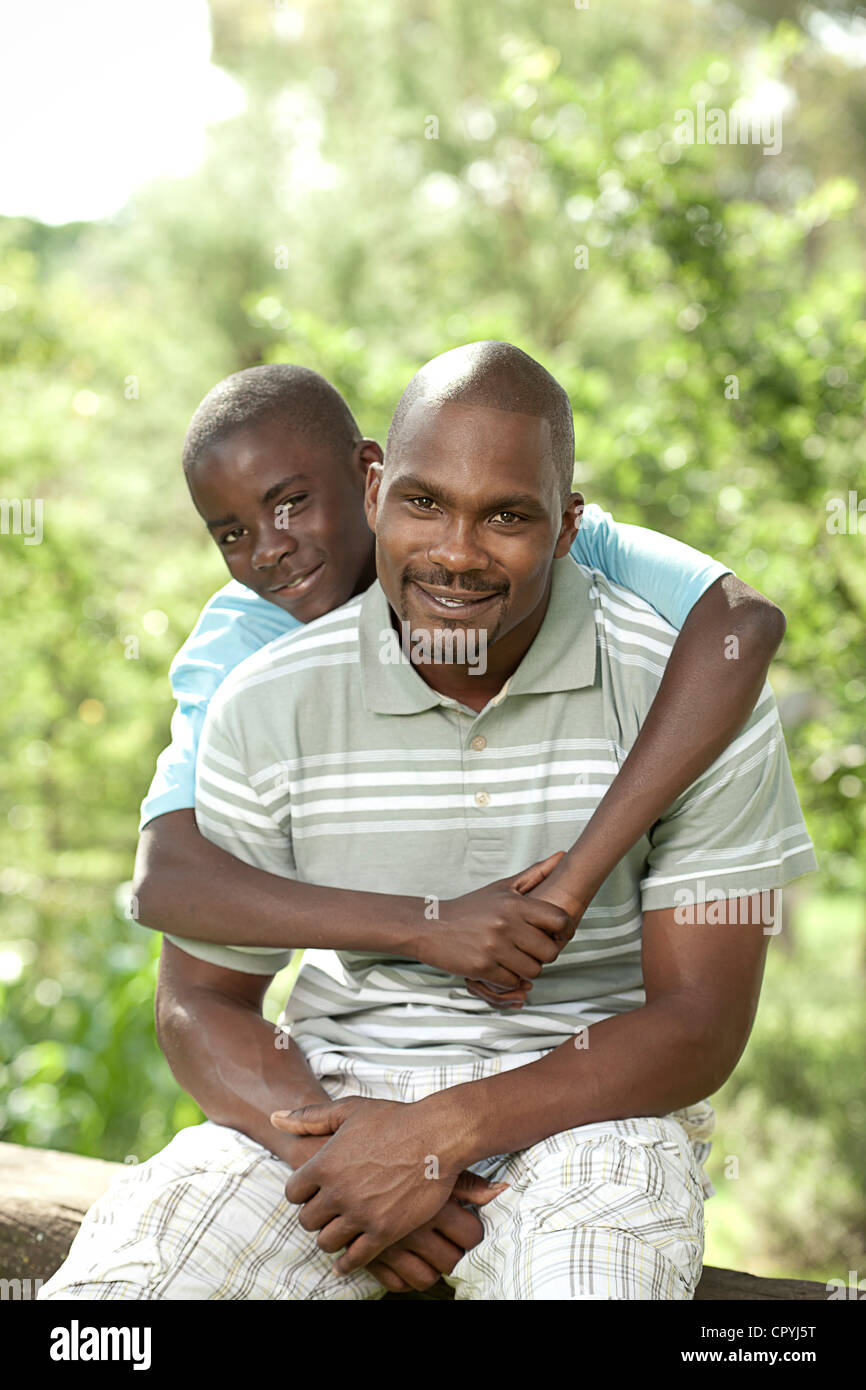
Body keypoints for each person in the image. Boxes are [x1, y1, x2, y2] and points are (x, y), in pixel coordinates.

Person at [40, 344, 816, 1300]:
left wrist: (439, 1137)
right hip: (325, 1098)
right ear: (376, 488)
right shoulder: (257, 687)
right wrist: (340, 1163)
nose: (456, 550)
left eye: (506, 516)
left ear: (570, 526)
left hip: (588, 1112)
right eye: (423, 503)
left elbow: (699, 1023)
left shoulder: (686, 696)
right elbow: (196, 990)